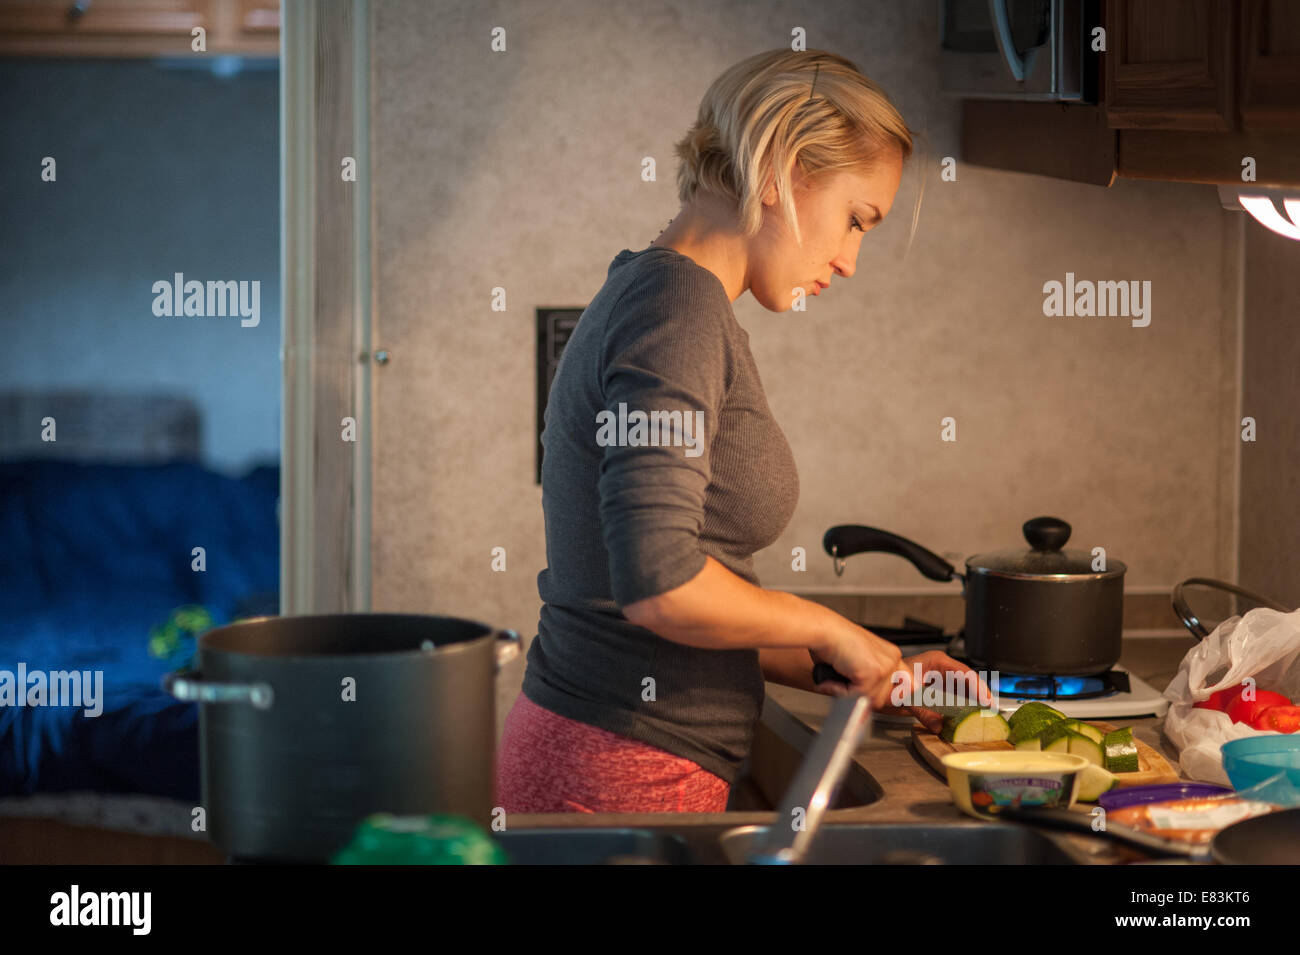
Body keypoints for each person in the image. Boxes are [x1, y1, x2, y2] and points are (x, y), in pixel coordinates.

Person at [496, 49, 978, 815]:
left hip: (617, 757)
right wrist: (826, 622)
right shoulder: (674, 312)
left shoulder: (671, 299)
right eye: (856, 220)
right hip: (616, 771)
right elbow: (661, 584)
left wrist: (869, 664)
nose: (850, 262)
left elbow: (697, 600)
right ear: (783, 169)